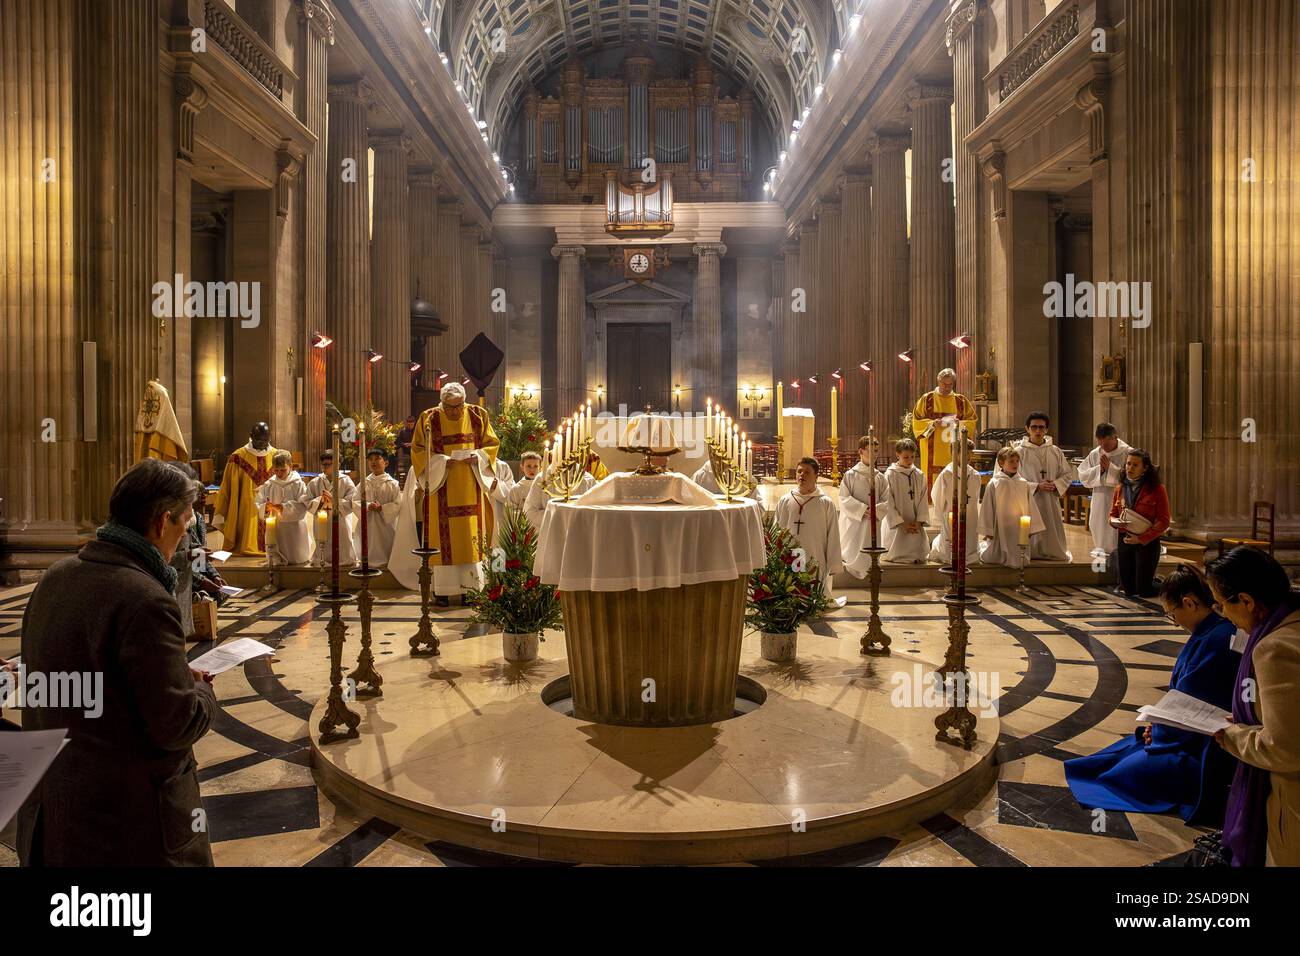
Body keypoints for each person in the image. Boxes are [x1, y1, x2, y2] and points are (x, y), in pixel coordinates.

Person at [17, 459, 216, 866]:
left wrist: (169, 676)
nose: (184, 536)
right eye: (185, 523)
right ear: (163, 522)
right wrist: (201, 690)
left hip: (56, 810)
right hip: (129, 823)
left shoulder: (55, 577)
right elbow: (175, 725)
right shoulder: (145, 598)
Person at [1065, 566, 1241, 824]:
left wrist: (1160, 732)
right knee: (1117, 755)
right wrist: (1157, 726)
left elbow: (1200, 701)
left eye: (1171, 614)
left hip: (1202, 747)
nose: (1174, 621)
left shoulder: (1217, 639)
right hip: (1180, 734)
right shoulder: (1208, 631)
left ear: (1189, 603)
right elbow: (1183, 694)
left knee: (1121, 774)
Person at [1206, 546, 1300, 867]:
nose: (1224, 615)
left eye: (1221, 605)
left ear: (1246, 601)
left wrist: (1232, 734)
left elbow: (1284, 748)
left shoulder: (1275, 648)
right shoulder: (1291, 620)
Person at [391, 381, 501, 603]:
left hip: (470, 486)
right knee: (443, 543)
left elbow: (492, 444)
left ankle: (471, 590)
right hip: (441, 487)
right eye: (450, 407)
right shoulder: (429, 417)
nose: (455, 411)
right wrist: (441, 463)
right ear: (441, 403)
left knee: (471, 540)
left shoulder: (478, 415)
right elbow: (418, 450)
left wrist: (477, 457)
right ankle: (443, 592)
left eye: (459, 406)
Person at [773, 457, 843, 601]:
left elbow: (833, 534)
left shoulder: (825, 503)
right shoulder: (786, 500)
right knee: (791, 591)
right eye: (799, 472)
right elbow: (776, 528)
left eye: (806, 472)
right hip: (791, 554)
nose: (801, 475)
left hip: (815, 554)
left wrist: (834, 564)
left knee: (814, 593)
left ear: (816, 476)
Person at [1109, 448, 1170, 598]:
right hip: (1125, 539)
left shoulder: (1157, 489)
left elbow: (1164, 521)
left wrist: (1141, 538)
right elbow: (1112, 515)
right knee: (1129, 590)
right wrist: (1114, 522)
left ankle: (1163, 584)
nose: (1130, 468)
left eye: (1135, 465)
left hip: (1147, 542)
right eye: (1128, 464)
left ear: (1145, 468)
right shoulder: (1120, 488)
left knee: (1144, 591)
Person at [1014, 412, 1074, 562]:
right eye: (1034, 427)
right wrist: (1036, 486)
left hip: (1050, 500)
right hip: (1029, 499)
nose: (1038, 431)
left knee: (1050, 527)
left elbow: (1067, 474)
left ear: (1046, 429)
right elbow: (1011, 479)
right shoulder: (1018, 452)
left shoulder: (1055, 451)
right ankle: (1028, 552)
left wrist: (1056, 484)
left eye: (1041, 427)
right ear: (1027, 429)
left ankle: (1051, 550)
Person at [211, 422, 278, 555]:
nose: (262, 443)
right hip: (245, 505)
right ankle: (245, 544)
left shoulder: (277, 456)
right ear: (251, 436)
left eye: (265, 440)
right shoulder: (238, 457)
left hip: (270, 504)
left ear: (270, 438)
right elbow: (228, 486)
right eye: (258, 440)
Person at [911, 368, 977, 490]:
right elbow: (916, 421)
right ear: (938, 381)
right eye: (944, 384)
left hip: (955, 447)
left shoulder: (961, 400)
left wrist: (960, 424)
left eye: (950, 384)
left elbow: (971, 421)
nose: (947, 387)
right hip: (932, 449)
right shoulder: (927, 399)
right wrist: (932, 424)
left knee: (954, 480)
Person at [979, 446, 1045, 567]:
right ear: (1001, 462)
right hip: (1000, 526)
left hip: (1019, 527)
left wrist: (1030, 528)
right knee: (993, 556)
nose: (1015, 464)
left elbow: (1030, 505)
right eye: (1011, 461)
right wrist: (988, 530)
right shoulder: (994, 483)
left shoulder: (1023, 483)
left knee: (1021, 556)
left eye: (1017, 461)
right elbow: (988, 507)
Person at [838, 435, 890, 577]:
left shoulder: (880, 477)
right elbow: (843, 497)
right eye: (871, 451)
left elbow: (887, 499)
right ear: (861, 451)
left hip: (873, 520)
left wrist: (875, 511)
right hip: (856, 522)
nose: (875, 455)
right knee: (854, 547)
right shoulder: (850, 475)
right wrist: (862, 510)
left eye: (877, 451)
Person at [1077, 422, 1132, 556]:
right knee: (1098, 523)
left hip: (1121, 496)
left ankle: (1119, 552)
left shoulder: (1128, 452)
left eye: (1106, 444)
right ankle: (1102, 549)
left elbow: (1131, 476)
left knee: (1116, 526)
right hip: (1100, 495)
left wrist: (1111, 469)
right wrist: (1098, 470)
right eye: (1100, 444)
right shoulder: (1095, 453)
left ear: (1115, 437)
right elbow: (1083, 474)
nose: (1103, 448)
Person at [928, 440, 981, 566]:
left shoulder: (975, 475)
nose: (968, 457)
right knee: (950, 550)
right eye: (964, 453)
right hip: (952, 515)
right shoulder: (947, 474)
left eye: (970, 453)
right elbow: (937, 496)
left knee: (969, 545)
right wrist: (942, 515)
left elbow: (976, 499)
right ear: (954, 454)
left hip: (970, 517)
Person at [302, 449, 357, 567]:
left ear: (337, 464)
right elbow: (306, 501)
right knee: (323, 541)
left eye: (328, 464)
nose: (324, 467)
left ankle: (343, 559)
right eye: (323, 464)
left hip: (340, 521)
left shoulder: (346, 481)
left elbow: (352, 502)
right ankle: (322, 559)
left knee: (341, 542)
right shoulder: (316, 482)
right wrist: (320, 500)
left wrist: (334, 500)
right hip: (323, 520)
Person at [255, 451, 311, 565]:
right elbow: (258, 502)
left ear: (290, 466)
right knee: (276, 556)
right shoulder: (269, 484)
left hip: (295, 528)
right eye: (276, 470)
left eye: (283, 470)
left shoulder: (298, 484)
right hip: (276, 526)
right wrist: (265, 507)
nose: (279, 473)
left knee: (295, 557)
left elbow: (303, 506)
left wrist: (283, 508)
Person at [879, 439, 929, 564]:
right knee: (895, 552)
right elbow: (888, 501)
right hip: (897, 524)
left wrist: (919, 521)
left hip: (914, 522)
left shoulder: (919, 475)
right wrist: (901, 523)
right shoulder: (890, 475)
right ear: (897, 455)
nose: (910, 460)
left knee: (918, 553)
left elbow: (923, 499)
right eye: (906, 457)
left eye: (912, 456)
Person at [349, 450, 402, 566]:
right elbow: (354, 501)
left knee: (386, 549)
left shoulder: (393, 484)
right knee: (367, 546)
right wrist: (368, 505)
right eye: (371, 459)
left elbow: (398, 504)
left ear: (386, 463)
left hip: (386, 526)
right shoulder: (364, 483)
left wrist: (382, 508)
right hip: (367, 522)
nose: (373, 462)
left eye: (377, 459)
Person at [488, 456, 517, 548]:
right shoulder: (466, 465)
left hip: (497, 514)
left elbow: (512, 495)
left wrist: (497, 485)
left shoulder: (502, 466)